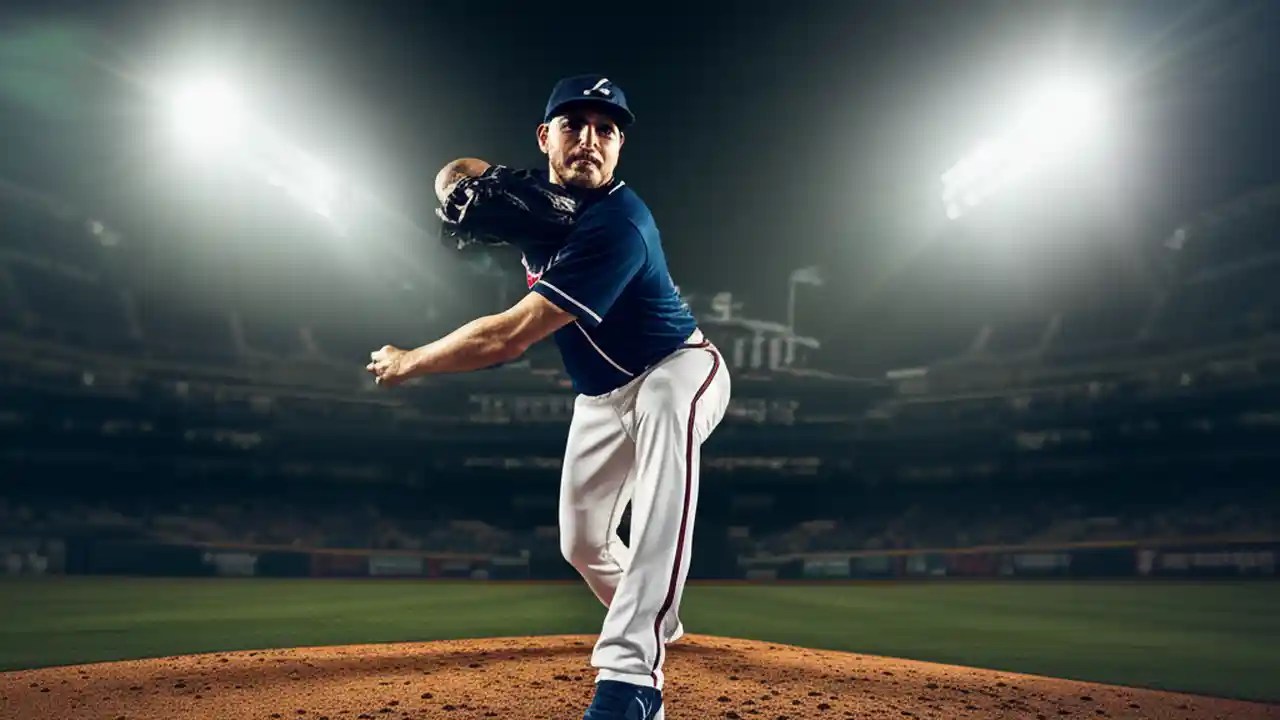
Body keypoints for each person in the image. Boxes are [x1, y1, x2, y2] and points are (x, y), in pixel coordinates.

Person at [367, 75, 731, 720]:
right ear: (545, 137)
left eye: (606, 129)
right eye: (573, 125)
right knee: (583, 544)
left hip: (678, 366)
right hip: (601, 397)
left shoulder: (620, 223)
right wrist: (454, 184)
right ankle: (661, 618)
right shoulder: (531, 196)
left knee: (665, 414)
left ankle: (632, 677)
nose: (590, 139)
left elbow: (508, 337)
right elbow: (462, 172)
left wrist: (409, 361)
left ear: (619, 147)